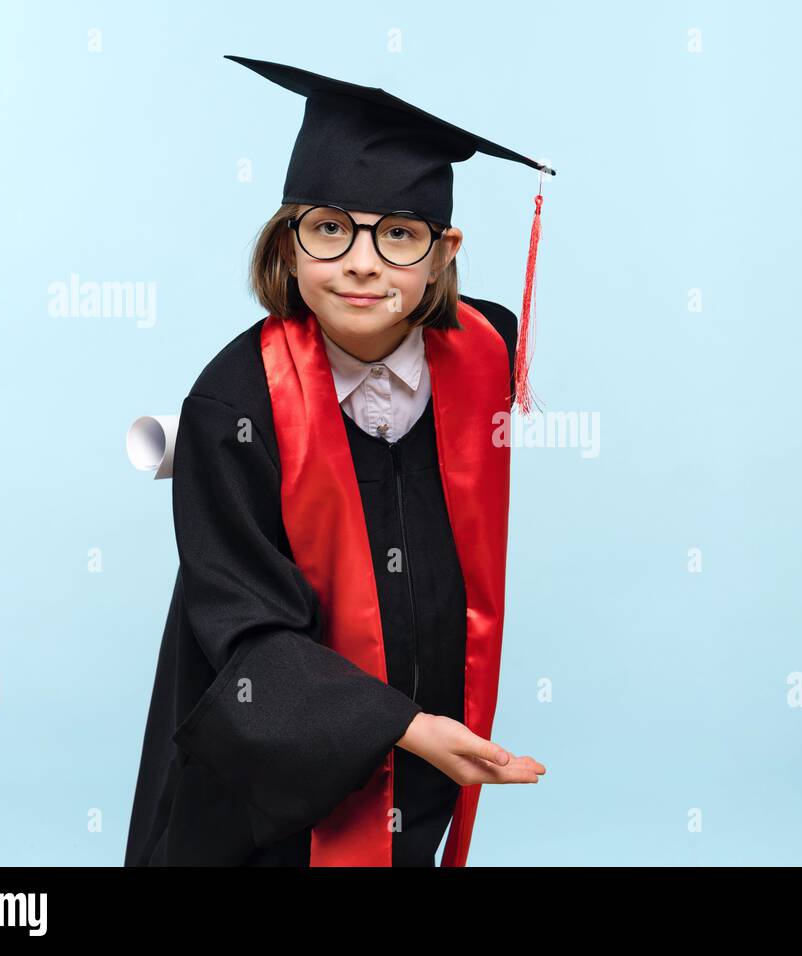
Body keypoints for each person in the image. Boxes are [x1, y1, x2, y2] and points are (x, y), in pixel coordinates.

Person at [124, 55, 553, 866]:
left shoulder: (484, 351)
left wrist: (422, 734)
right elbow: (246, 636)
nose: (361, 262)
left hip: (425, 754)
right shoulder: (232, 402)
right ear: (290, 243)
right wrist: (404, 726)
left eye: (398, 234)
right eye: (330, 228)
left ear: (442, 249)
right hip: (263, 782)